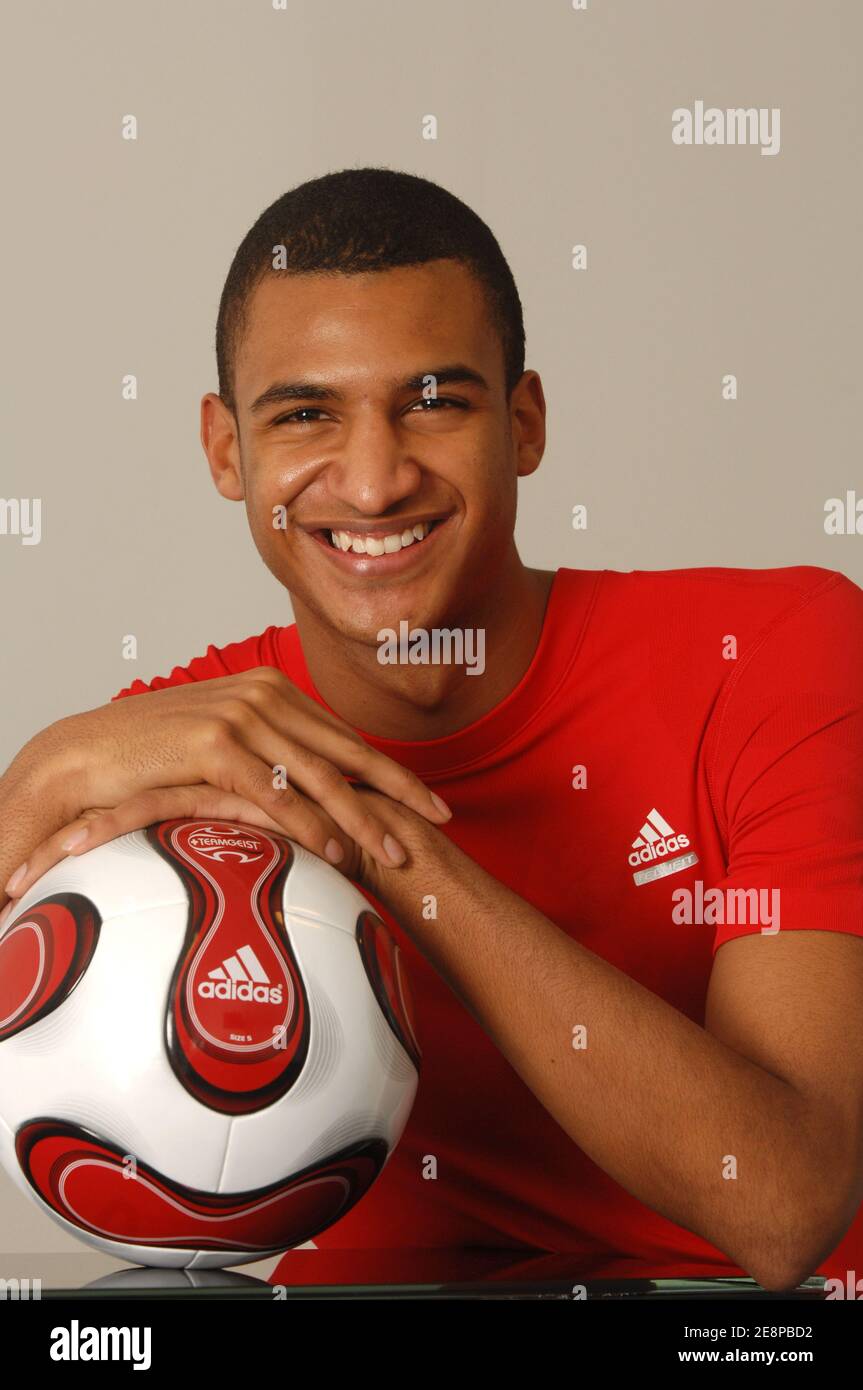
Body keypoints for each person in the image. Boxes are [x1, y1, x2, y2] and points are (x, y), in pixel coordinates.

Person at [2, 168, 862, 1292]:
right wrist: (35, 773)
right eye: (305, 413)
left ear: (523, 423)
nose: (371, 481)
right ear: (227, 452)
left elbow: (783, 1200)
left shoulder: (776, 649)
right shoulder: (183, 746)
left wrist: (367, 835)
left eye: (434, 402)